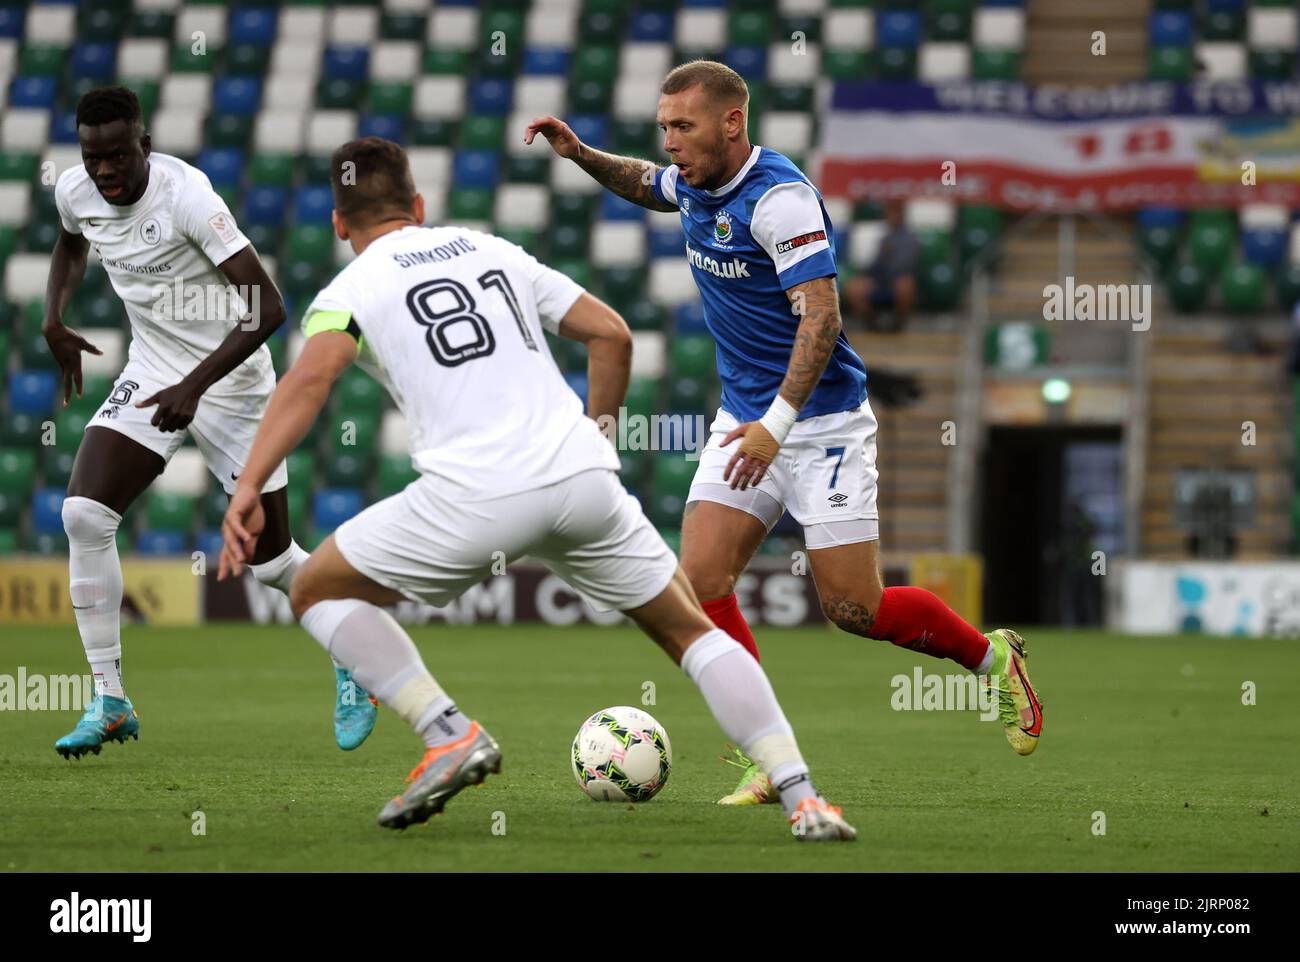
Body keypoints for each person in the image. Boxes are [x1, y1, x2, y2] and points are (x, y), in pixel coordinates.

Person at [217, 136, 855, 840]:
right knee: (692, 635)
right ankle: (804, 798)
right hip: (583, 482)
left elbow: (310, 381)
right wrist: (595, 438)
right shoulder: (488, 249)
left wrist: (249, 485)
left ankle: (448, 733)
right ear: (419, 206)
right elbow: (611, 335)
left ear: (340, 226)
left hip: (474, 495)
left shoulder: (347, 292)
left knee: (315, 588)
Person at [525, 60, 1043, 806]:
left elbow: (822, 319)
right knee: (700, 589)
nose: (671, 143)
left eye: (684, 127)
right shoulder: (697, 183)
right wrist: (580, 155)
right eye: (664, 127)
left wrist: (776, 427)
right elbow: (645, 182)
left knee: (853, 611)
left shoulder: (781, 200)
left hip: (822, 424)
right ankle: (769, 758)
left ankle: (992, 661)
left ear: (732, 123)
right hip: (746, 421)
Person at [43, 86, 376, 759]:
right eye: (92, 156)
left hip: (235, 385)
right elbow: (69, 246)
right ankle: (110, 698)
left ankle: (359, 655)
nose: (104, 171)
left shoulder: (188, 197)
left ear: (144, 143)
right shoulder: (76, 190)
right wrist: (55, 316)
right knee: (83, 514)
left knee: (273, 563)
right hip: (153, 370)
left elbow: (269, 306)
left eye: (117, 156)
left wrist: (197, 386)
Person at [843, 199, 919, 332]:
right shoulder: (882, 238)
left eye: (896, 213)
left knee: (905, 285)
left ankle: (897, 325)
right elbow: (875, 265)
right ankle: (872, 325)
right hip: (879, 278)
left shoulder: (911, 238)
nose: (893, 216)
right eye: (890, 213)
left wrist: (890, 254)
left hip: (898, 279)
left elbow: (907, 265)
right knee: (855, 288)